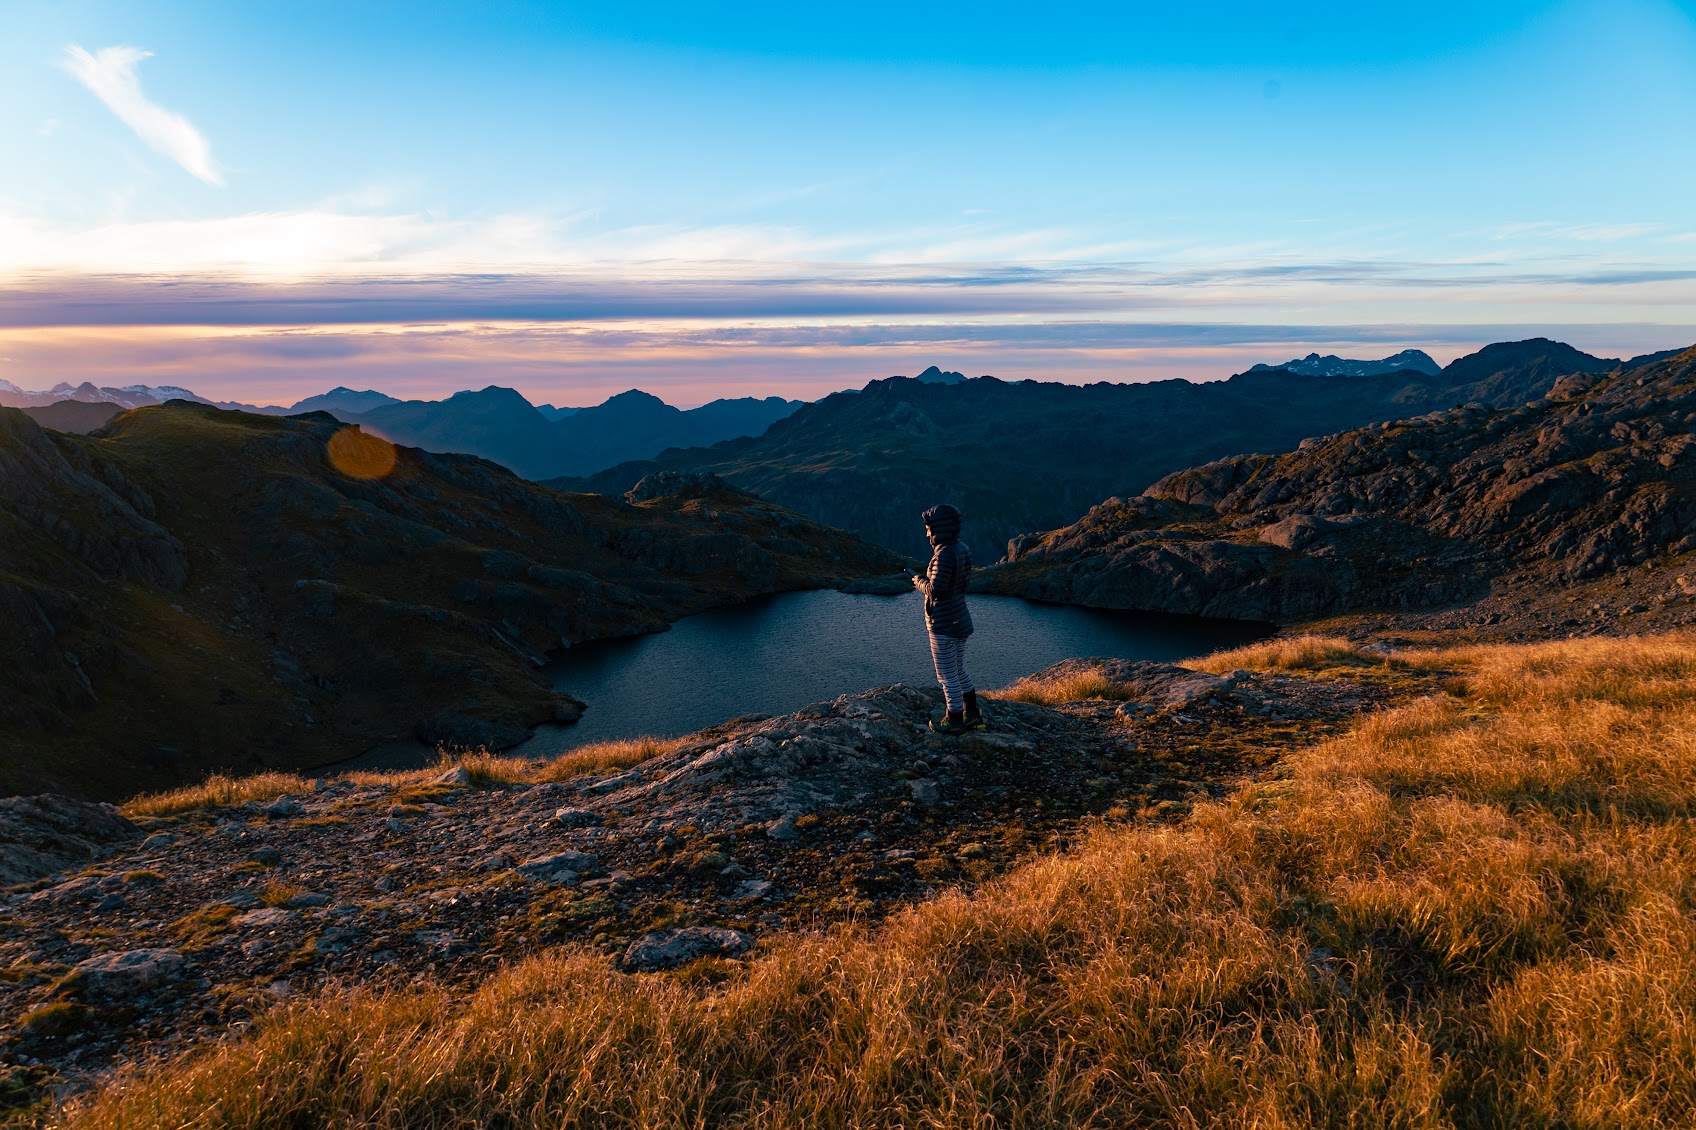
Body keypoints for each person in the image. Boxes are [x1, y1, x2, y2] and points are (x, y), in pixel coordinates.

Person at [912, 502, 984, 733]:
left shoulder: (943, 555)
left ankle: (953, 720)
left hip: (943, 624)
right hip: (961, 619)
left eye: (928, 528)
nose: (926, 534)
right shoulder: (962, 549)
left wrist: (918, 582)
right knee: (959, 668)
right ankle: (972, 713)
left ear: (939, 529)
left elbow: (937, 590)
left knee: (946, 674)